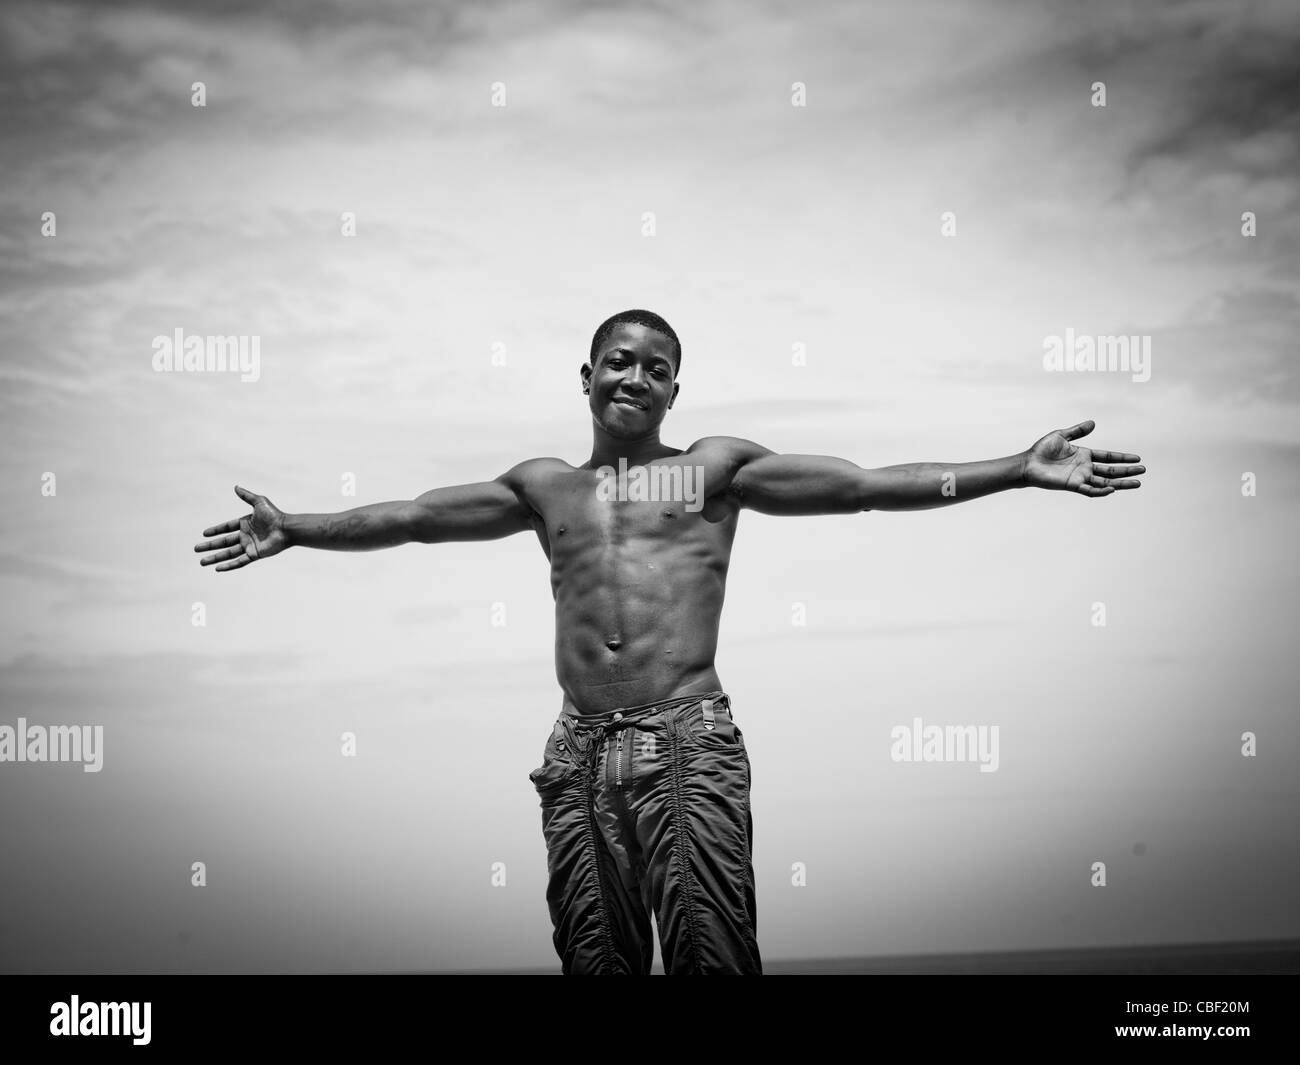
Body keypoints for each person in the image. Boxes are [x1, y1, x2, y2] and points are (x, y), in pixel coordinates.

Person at [194, 309, 1144, 975]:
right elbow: (409, 516)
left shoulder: (710, 473)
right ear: (587, 374)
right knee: (593, 962)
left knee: (712, 959)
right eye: (619, 359)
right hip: (577, 757)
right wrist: (298, 528)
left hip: (687, 746)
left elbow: (865, 483)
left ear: (674, 388)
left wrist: (1018, 469)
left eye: (655, 366)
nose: (634, 375)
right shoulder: (546, 487)